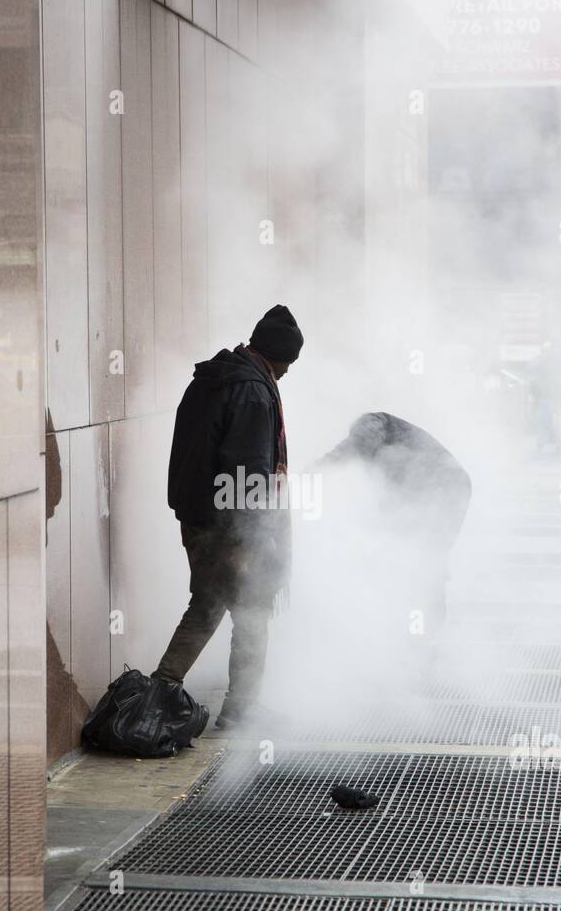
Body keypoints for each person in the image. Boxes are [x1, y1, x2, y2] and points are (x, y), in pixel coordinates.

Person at [153, 305, 304, 729]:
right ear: (276, 355)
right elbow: (249, 473)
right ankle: (237, 710)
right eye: (289, 362)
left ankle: (161, 693)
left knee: (208, 604)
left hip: (200, 515)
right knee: (252, 610)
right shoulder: (254, 392)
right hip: (231, 524)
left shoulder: (213, 379)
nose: (288, 371)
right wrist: (257, 536)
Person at [320, 412, 471, 637]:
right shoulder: (393, 445)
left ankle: (415, 642)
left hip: (444, 492)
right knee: (423, 568)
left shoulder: (372, 424)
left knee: (422, 569)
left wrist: (312, 474)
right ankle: (416, 640)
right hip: (447, 491)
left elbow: (347, 454)